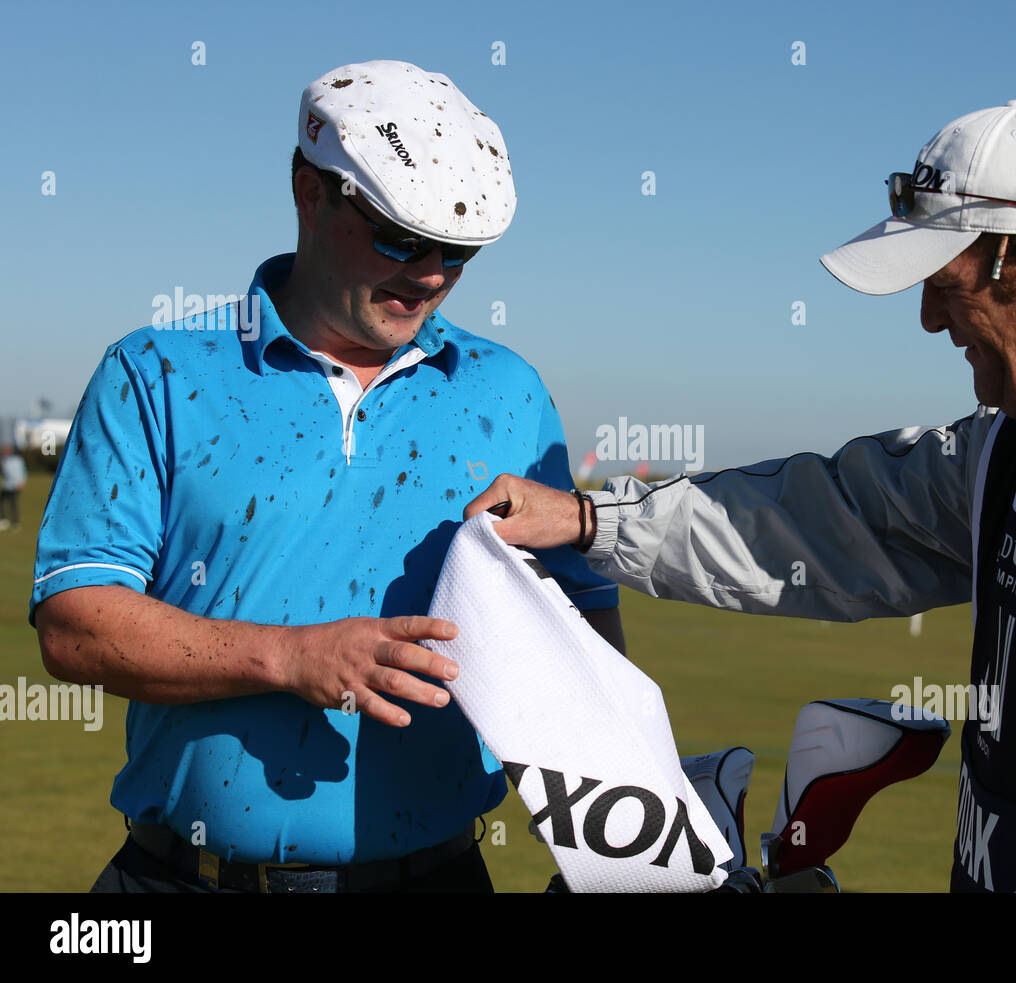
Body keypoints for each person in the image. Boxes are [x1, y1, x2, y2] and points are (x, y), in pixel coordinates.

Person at [465, 101, 1016, 892]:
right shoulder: (1010, 442)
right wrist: (585, 518)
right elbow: (816, 520)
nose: (931, 318)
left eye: (946, 276)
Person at [30, 59, 621, 894]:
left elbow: (583, 618)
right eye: (398, 236)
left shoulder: (510, 390)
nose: (429, 274)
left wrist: (621, 827)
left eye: (457, 251)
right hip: (184, 879)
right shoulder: (153, 372)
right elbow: (73, 622)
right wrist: (289, 657)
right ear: (309, 187)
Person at [0, 444, 25, 530]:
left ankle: (15, 522)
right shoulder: (4, 460)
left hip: (15, 485)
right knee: (2, 502)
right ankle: (4, 520)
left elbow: (22, 471)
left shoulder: (17, 460)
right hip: (6, 485)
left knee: (13, 504)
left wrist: (21, 482)